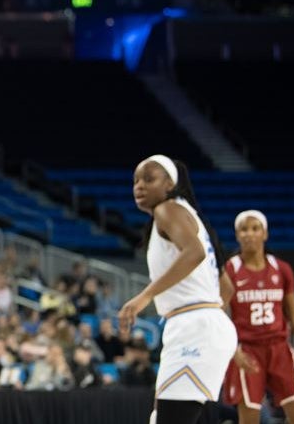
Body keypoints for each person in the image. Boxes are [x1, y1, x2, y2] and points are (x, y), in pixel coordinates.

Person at [118, 155, 236, 424]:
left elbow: (194, 253)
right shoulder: (187, 214)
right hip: (201, 325)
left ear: (170, 184)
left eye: (149, 179)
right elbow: (226, 287)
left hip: (194, 327)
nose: (139, 186)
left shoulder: (167, 209)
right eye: (136, 180)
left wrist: (143, 296)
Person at [221, 209, 294, 424]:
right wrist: (232, 350)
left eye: (255, 228)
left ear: (265, 234)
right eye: (243, 229)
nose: (249, 234)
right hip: (247, 350)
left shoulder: (281, 269)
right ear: (237, 235)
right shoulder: (230, 269)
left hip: (279, 348)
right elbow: (219, 314)